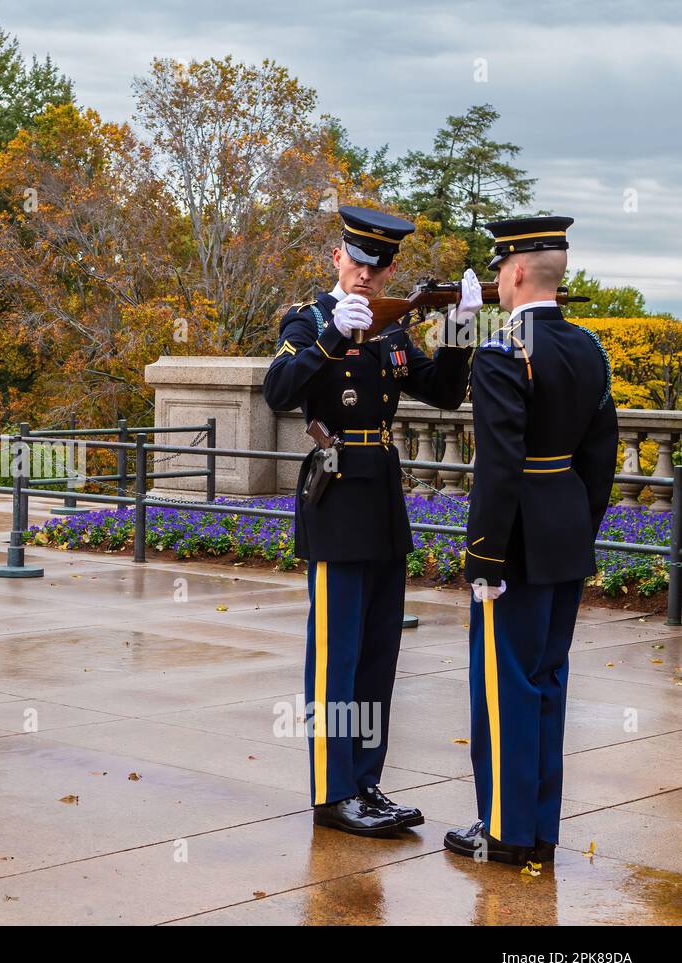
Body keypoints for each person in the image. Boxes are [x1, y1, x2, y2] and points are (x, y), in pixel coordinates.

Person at [264, 206, 480, 836]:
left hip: (382, 497)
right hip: (335, 497)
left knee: (379, 654)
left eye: (379, 266)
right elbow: (278, 393)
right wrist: (332, 336)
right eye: (358, 261)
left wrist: (460, 329)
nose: (366, 275)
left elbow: (441, 391)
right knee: (338, 653)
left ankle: (366, 781)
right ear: (338, 257)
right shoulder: (306, 322)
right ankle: (334, 794)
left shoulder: (390, 333)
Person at [444, 216, 618, 866]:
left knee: (506, 687)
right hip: (565, 539)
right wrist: (578, 528)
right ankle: (540, 828)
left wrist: (483, 558)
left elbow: (497, 467)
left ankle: (505, 833)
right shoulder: (590, 350)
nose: (496, 280)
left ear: (515, 271)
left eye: (497, 269)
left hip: (513, 547)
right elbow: (600, 458)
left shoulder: (502, 353)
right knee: (547, 681)